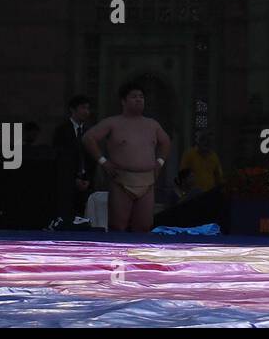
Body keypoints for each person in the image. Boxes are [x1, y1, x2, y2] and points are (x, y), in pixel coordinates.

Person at [82, 85, 171, 232]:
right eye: (134, 96)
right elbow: (88, 138)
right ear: (123, 101)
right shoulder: (113, 123)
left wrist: (159, 163)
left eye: (141, 97)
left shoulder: (152, 125)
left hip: (147, 180)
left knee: (144, 226)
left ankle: (139, 255)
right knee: (118, 225)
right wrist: (104, 162)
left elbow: (166, 142)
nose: (138, 100)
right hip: (121, 179)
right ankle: (117, 255)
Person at [48, 95, 95, 230]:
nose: (86, 111)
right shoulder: (62, 130)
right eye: (83, 108)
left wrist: (88, 179)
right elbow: (60, 158)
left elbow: (92, 158)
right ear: (72, 110)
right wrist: (73, 178)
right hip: (66, 180)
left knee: (82, 214)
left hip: (85, 179)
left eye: (88, 108)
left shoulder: (89, 132)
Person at [178, 129, 225, 196]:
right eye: (204, 140)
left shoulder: (214, 157)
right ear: (198, 141)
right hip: (193, 196)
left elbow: (219, 178)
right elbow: (182, 176)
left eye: (209, 142)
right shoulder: (189, 155)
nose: (206, 143)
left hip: (210, 196)